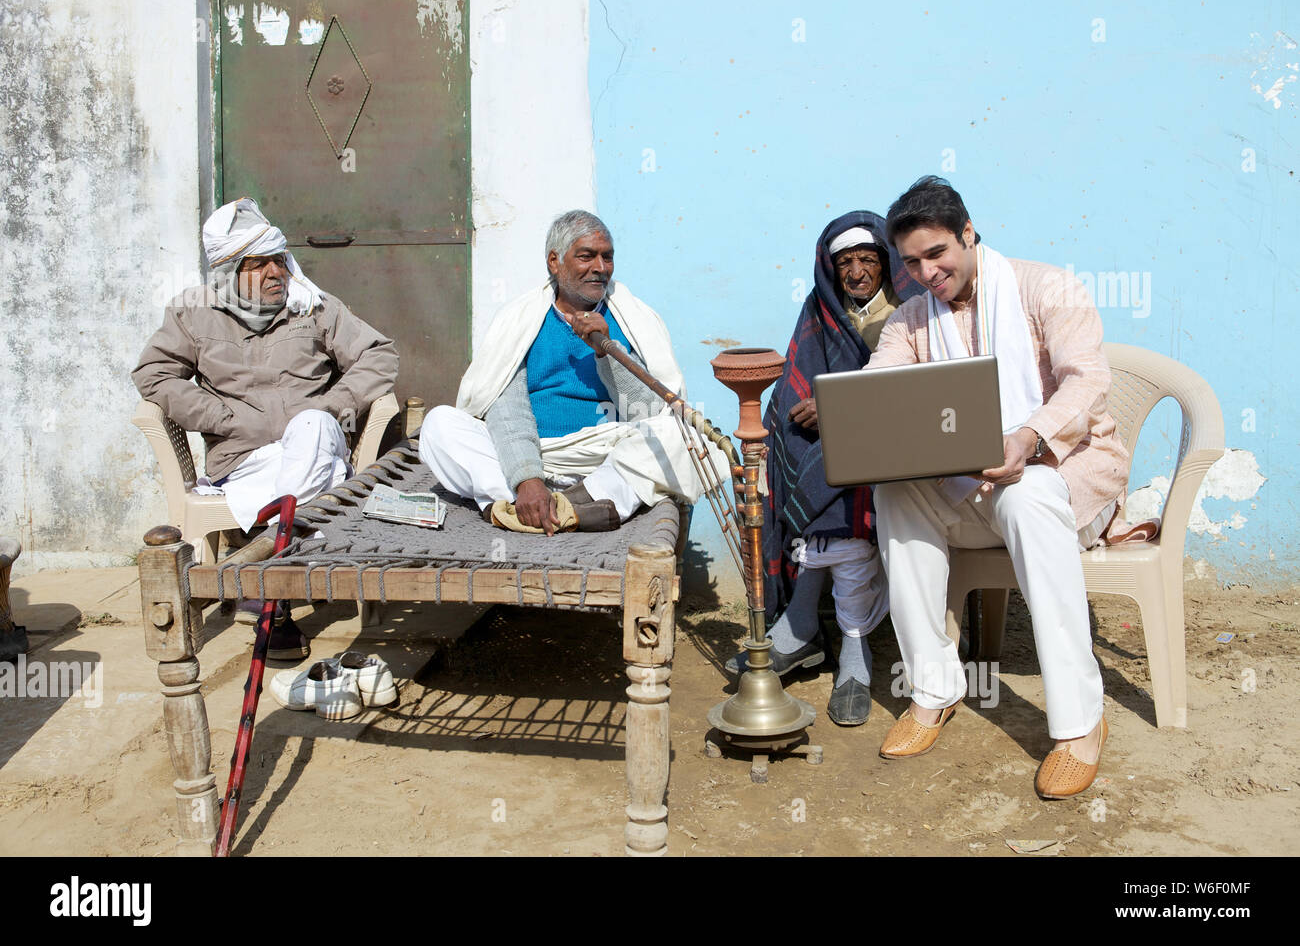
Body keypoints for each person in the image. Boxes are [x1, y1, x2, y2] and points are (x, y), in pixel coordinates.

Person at [867, 176, 1128, 798]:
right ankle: (932, 691)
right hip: (965, 487)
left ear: (968, 233)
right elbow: (879, 392)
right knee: (894, 494)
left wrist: (1029, 437)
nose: (927, 272)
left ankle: (1079, 724)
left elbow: (1086, 380)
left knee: (1029, 492)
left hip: (1063, 473)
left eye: (937, 254)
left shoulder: (1048, 288)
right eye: (911, 263)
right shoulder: (909, 321)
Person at [133, 197, 398, 657]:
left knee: (312, 428)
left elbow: (379, 355)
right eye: (260, 264)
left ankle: (267, 589)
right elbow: (153, 374)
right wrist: (220, 418)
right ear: (229, 271)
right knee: (325, 485)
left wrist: (334, 405)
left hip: (316, 443)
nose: (277, 272)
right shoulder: (191, 313)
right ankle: (283, 581)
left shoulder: (313, 306)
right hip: (246, 459)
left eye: (279, 259)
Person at [726, 211, 923, 726]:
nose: (857, 272)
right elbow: (798, 382)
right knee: (792, 445)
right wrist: (819, 411)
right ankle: (809, 630)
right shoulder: (819, 309)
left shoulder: (912, 312)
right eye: (845, 263)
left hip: (893, 441)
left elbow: (920, 392)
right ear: (829, 269)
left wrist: (840, 409)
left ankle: (833, 641)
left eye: (867, 259)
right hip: (830, 443)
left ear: (886, 263)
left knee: (848, 470)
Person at [419, 210, 725, 532]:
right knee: (440, 425)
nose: (600, 268)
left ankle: (573, 505)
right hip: (534, 454)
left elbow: (649, 411)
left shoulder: (630, 318)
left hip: (604, 459)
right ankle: (521, 501)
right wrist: (528, 478)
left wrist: (606, 350)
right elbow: (506, 408)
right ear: (555, 261)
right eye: (586, 256)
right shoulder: (521, 320)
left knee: (680, 433)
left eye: (607, 257)